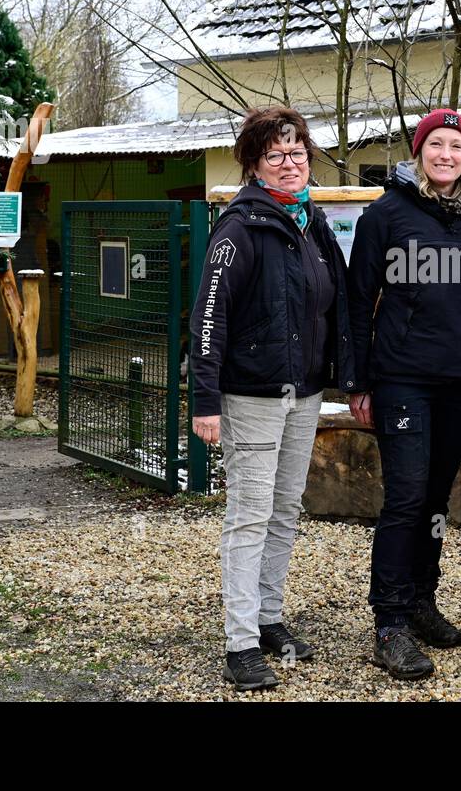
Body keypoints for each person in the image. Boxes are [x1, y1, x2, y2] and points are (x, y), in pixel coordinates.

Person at [188, 106, 358, 691]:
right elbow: (208, 316)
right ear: (256, 165)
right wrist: (204, 398)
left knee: (285, 511)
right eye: (277, 155)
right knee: (250, 517)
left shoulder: (311, 224)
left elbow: (335, 305)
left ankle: (267, 617)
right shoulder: (239, 227)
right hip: (251, 396)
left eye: (299, 153)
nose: (291, 164)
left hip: (303, 393)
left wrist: (348, 376)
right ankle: (240, 642)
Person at [347, 108, 461, 680]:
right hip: (402, 377)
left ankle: (420, 599)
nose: (446, 155)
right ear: (418, 152)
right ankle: (388, 622)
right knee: (406, 498)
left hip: (458, 379)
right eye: (435, 145)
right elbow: (359, 300)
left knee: (437, 498)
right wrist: (358, 381)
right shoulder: (386, 214)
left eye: (456, 147)